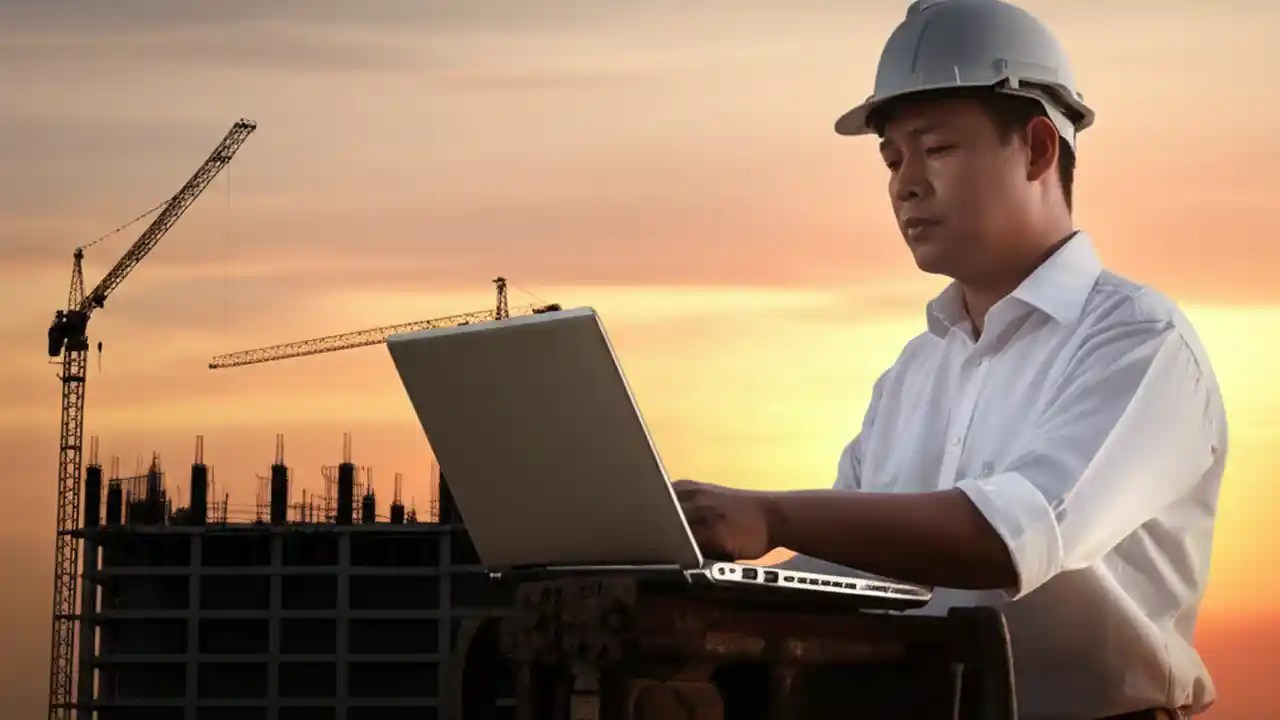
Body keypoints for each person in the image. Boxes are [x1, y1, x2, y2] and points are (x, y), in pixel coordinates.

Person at [673, 1, 1227, 719]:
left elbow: (1008, 542)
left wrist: (772, 514)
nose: (905, 183)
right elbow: (845, 570)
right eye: (893, 159)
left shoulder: (1139, 342)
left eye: (935, 150)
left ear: (1035, 150)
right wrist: (688, 568)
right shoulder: (913, 373)